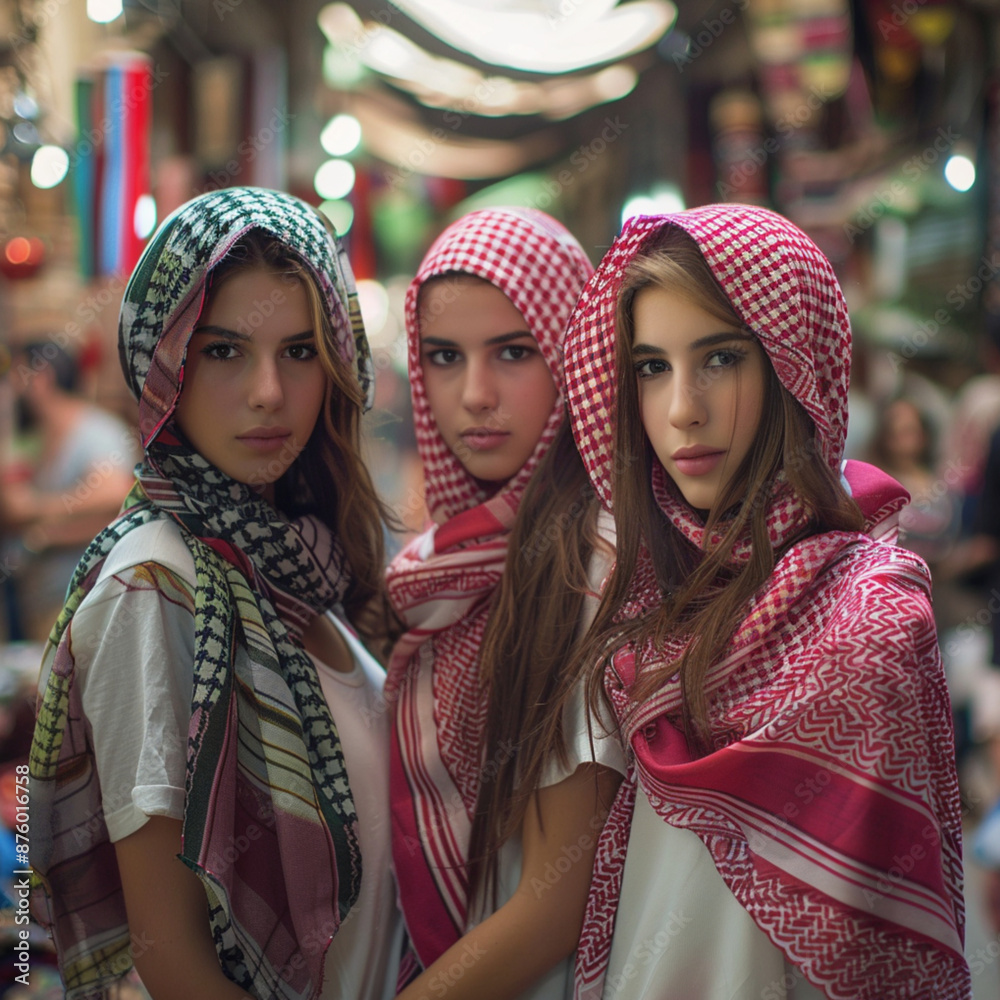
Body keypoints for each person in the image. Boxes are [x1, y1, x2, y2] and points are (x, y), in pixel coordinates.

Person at [563, 205, 971, 999]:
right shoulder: (649, 601)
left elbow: (880, 951)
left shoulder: (872, 620)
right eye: (651, 367)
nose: (682, 408)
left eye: (720, 358)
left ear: (796, 366)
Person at [28, 187, 403, 1000]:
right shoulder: (153, 584)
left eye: (300, 352)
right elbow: (175, 965)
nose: (268, 391)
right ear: (165, 362)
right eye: (224, 350)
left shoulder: (298, 562)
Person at [385, 207, 625, 999]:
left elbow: (558, 903)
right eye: (445, 358)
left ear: (575, 355)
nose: (475, 395)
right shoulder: (462, 560)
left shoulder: (589, 556)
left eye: (515, 352)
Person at [0, 340, 138, 640]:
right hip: (41, 603)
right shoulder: (37, 436)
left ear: (42, 376)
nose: (11, 384)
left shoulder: (95, 431)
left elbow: (116, 495)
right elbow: (12, 507)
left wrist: (39, 520)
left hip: (82, 603)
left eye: (18, 373)